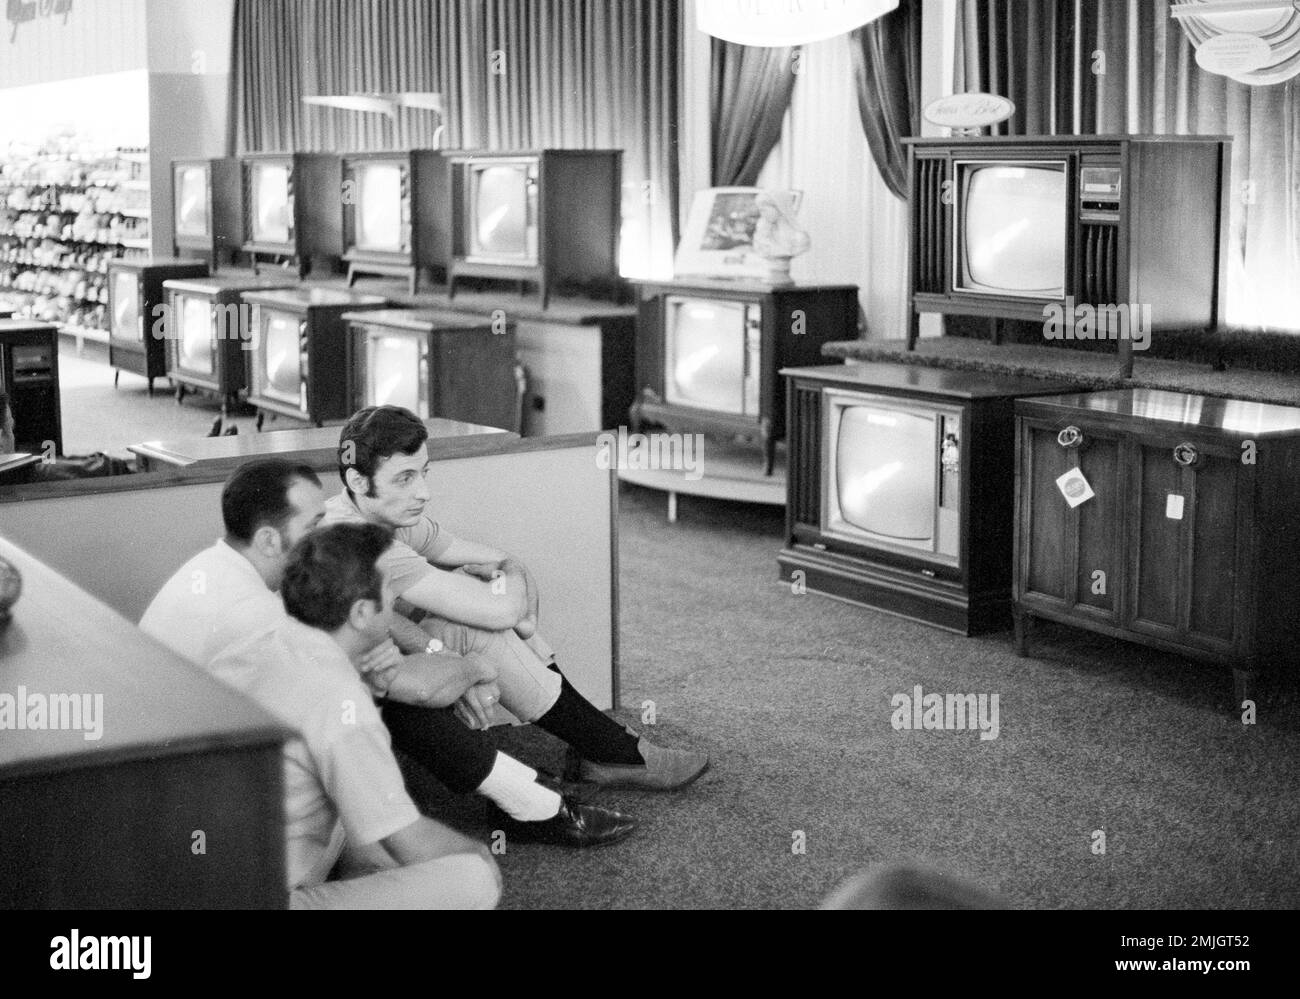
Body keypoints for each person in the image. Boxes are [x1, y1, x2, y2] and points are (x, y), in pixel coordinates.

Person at [140, 458, 636, 848]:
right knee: (395, 703)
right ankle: (531, 801)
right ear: (270, 539)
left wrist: (394, 664)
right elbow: (412, 687)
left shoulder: (224, 569)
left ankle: (528, 796)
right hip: (217, 799)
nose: (326, 534)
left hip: (224, 753)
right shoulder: (257, 617)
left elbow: (386, 664)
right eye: (313, 524)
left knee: (387, 687)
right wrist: (474, 669)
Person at [321, 406, 711, 791]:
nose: (423, 492)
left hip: (383, 659)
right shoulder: (360, 538)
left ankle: (606, 747)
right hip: (351, 691)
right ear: (357, 480)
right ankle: (611, 750)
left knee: (476, 616)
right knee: (484, 624)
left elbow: (490, 560)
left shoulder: (383, 514)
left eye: (423, 473)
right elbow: (503, 608)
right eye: (404, 478)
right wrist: (510, 588)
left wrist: (510, 572)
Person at [208, 522, 502, 909]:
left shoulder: (256, 642)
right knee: (470, 877)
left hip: (193, 875)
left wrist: (366, 681)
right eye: (389, 588)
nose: (396, 596)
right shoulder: (339, 699)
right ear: (361, 612)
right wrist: (479, 854)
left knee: (356, 811)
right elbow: (408, 840)